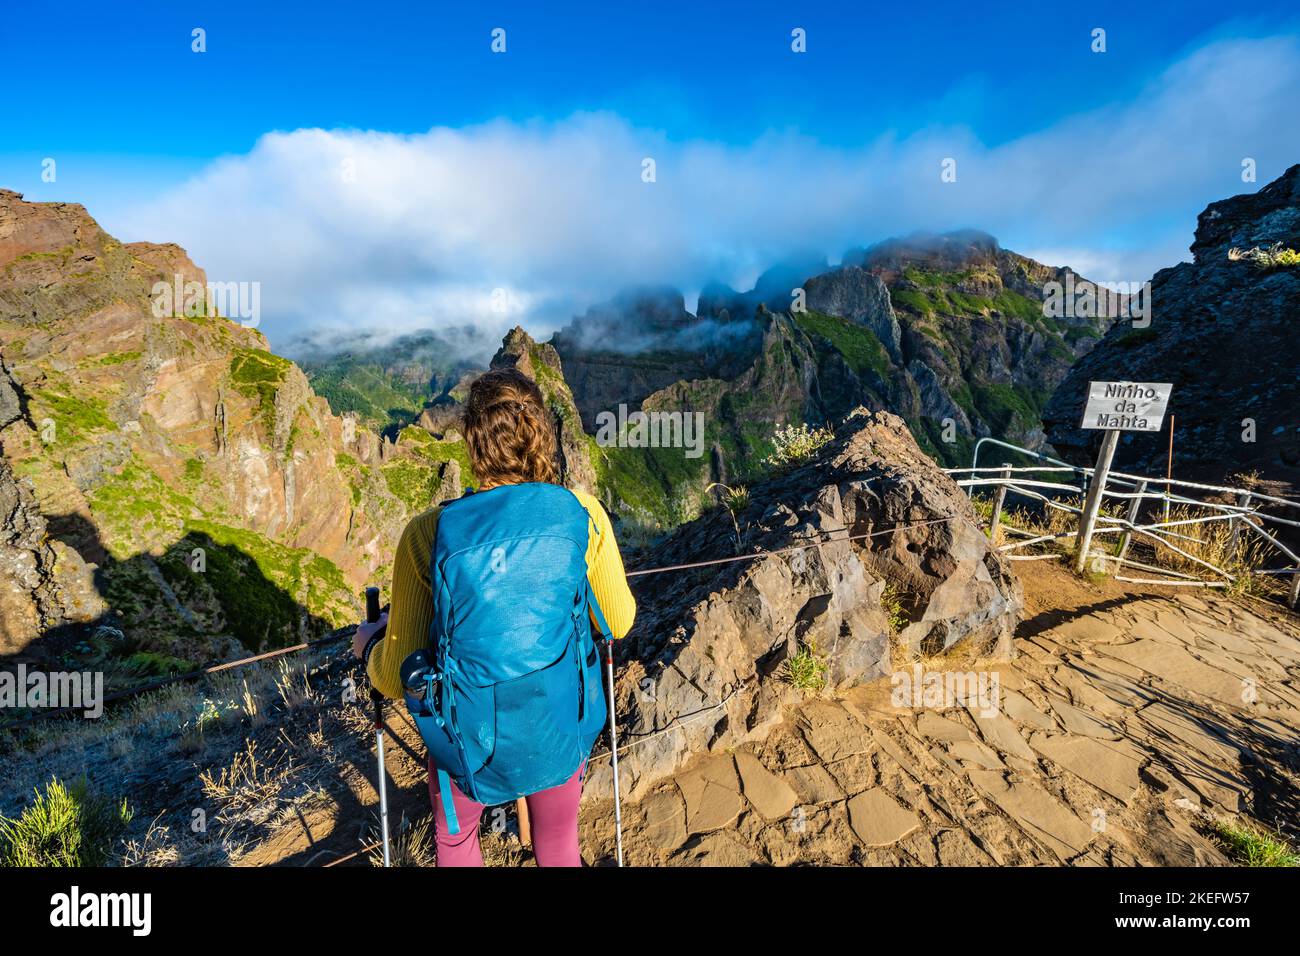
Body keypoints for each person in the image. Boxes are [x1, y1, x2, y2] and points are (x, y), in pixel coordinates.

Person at [352, 367, 635, 866]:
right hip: (557, 727)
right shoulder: (583, 513)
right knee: (559, 844)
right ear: (543, 433)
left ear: (471, 441)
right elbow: (617, 622)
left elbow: (398, 677)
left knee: (456, 842)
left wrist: (370, 649)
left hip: (465, 743)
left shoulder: (427, 534)